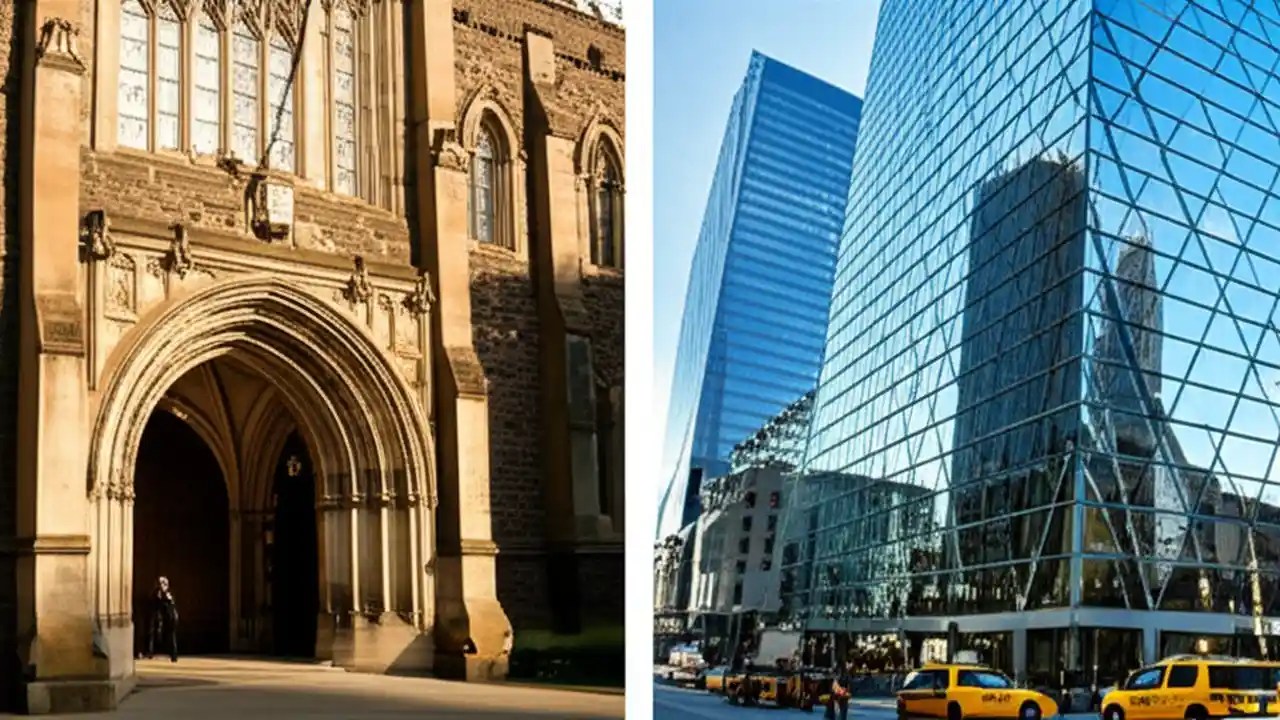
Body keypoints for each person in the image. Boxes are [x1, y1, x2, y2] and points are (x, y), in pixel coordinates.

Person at [147, 576, 179, 662]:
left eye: (162, 583)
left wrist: (163, 597)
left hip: (171, 617)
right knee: (162, 635)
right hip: (164, 618)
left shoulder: (168, 593)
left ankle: (174, 655)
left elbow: (170, 603)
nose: (160, 585)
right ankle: (153, 652)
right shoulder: (157, 593)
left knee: (172, 636)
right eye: (159, 583)